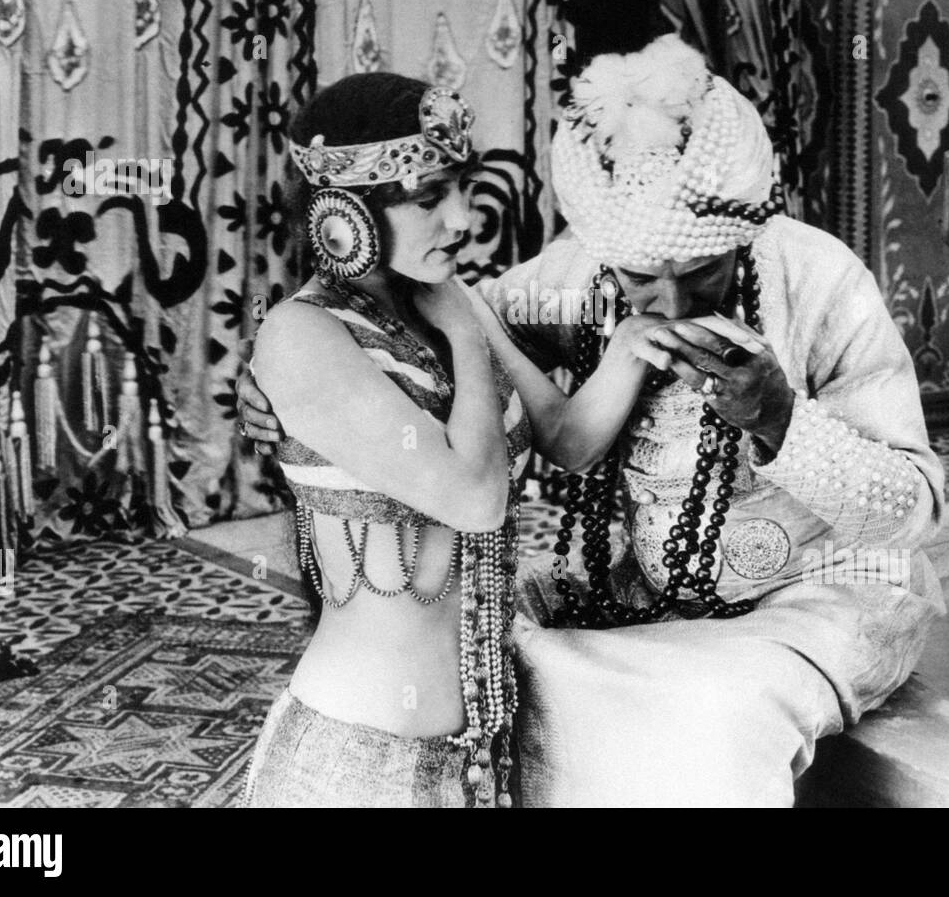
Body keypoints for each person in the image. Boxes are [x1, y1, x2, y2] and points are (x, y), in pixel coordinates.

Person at [238, 37, 946, 807]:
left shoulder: (820, 278)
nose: (670, 305)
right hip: (625, 608)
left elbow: (914, 509)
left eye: (701, 270)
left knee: (718, 710)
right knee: (532, 667)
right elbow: (409, 360)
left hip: (818, 595)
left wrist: (781, 419)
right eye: (642, 278)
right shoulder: (560, 282)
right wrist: (275, 392)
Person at [239, 72, 668, 808]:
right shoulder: (300, 334)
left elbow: (565, 435)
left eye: (463, 188)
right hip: (361, 761)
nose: (464, 219)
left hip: (481, 754)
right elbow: (475, 495)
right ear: (345, 213)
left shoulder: (445, 300)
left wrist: (636, 343)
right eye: (430, 195)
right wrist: (467, 326)